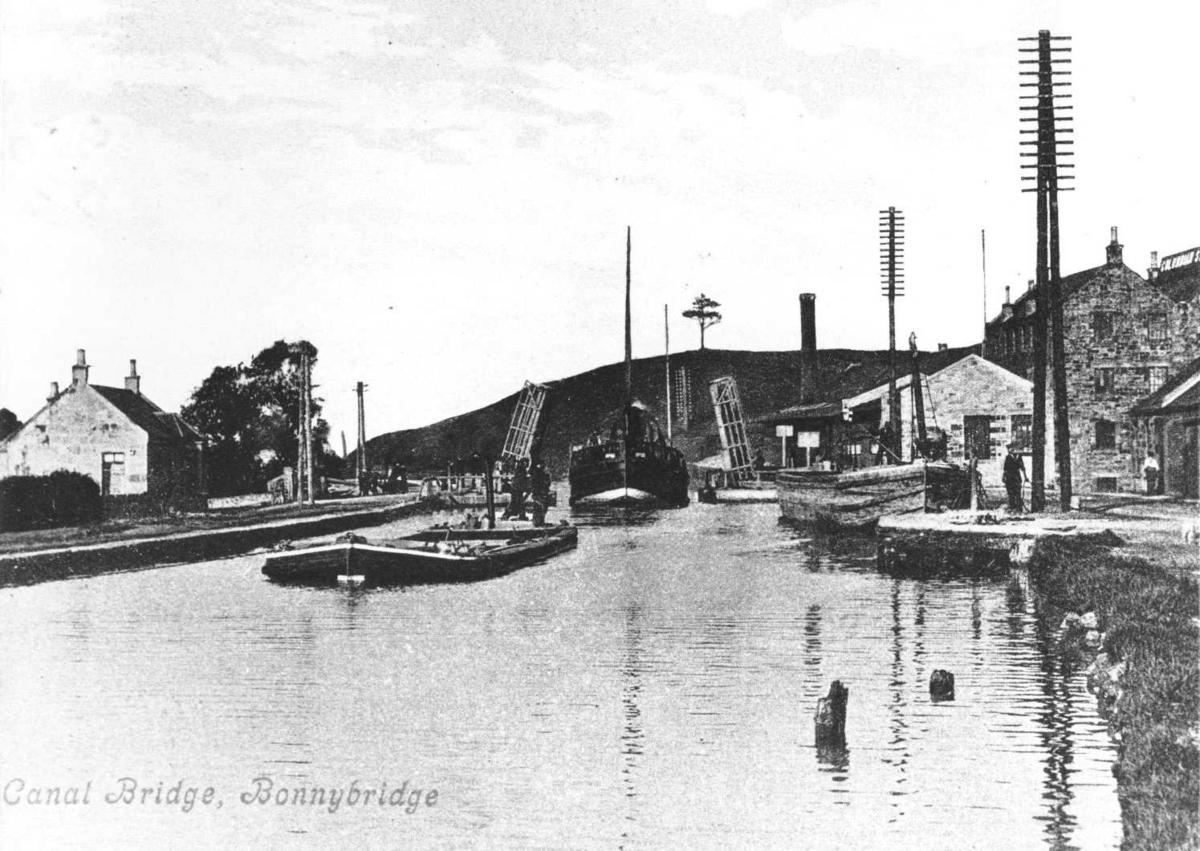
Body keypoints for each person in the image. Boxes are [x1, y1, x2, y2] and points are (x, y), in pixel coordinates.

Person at [1003, 442, 1027, 512]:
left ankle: (1019, 508)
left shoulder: (1019, 457)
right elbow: (1005, 469)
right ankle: (1012, 507)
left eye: (1011, 449)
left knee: (1018, 492)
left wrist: (1025, 477)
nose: (1010, 450)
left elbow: (1023, 467)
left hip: (1016, 476)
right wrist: (1003, 477)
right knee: (1011, 493)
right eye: (1009, 449)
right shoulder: (1008, 457)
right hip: (1009, 477)